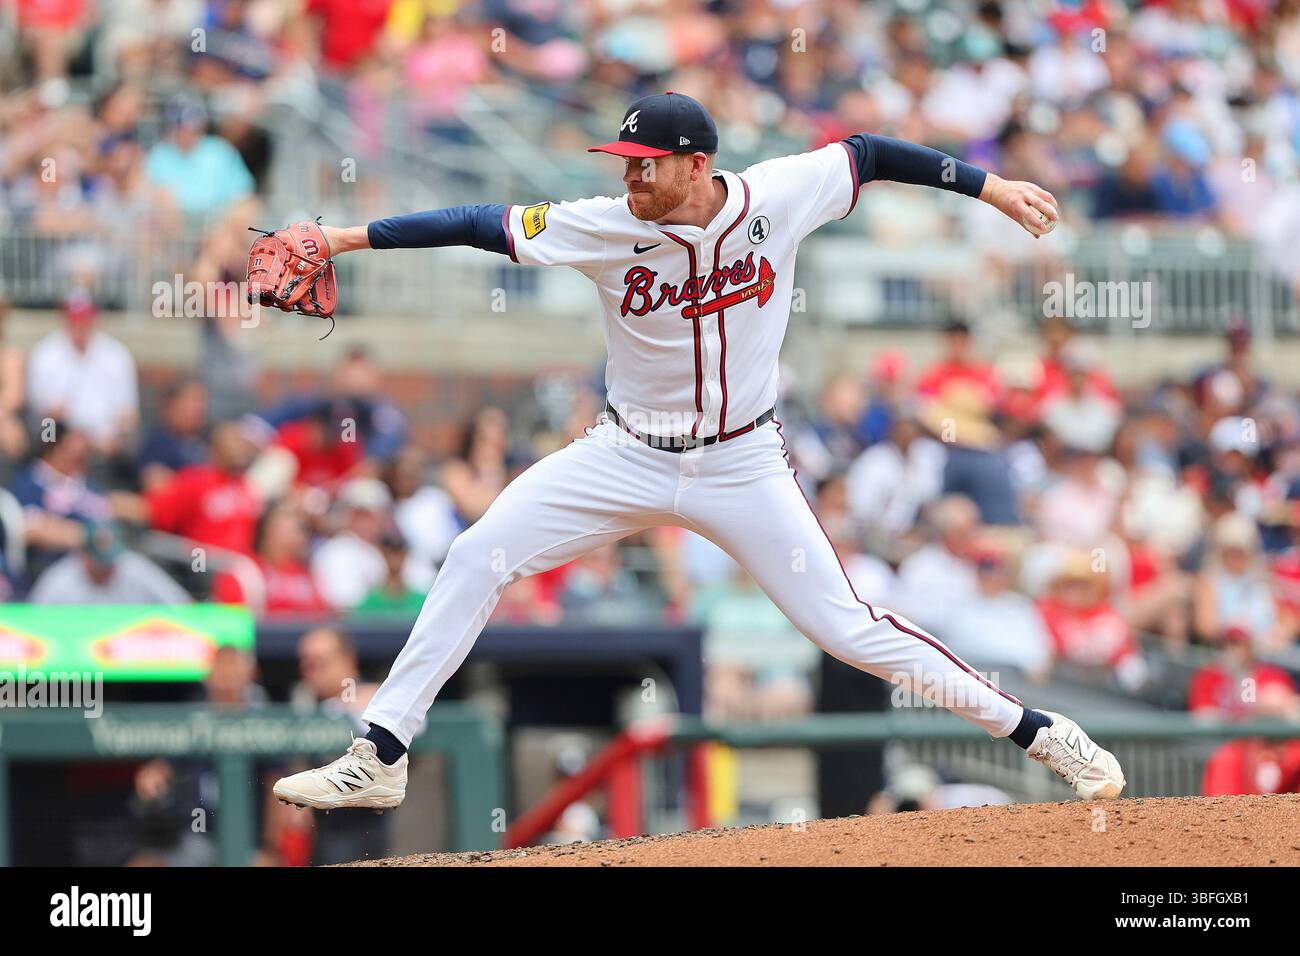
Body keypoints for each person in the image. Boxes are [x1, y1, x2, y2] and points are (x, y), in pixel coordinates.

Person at [272, 91, 1124, 811]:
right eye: (625, 160)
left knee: (847, 627)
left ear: (696, 165)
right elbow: (477, 223)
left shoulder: (776, 196)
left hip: (742, 462)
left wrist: (989, 187)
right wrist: (345, 238)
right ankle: (382, 752)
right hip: (625, 452)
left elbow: (869, 153)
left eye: (646, 161)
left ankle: (1041, 733)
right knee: (473, 554)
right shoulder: (600, 225)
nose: (630, 174)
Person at [28, 518, 192, 604]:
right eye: (100, 561)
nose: (107, 567)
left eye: (110, 561)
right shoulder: (59, 581)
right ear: (84, 554)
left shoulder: (133, 567)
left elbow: (182, 604)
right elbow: (32, 626)